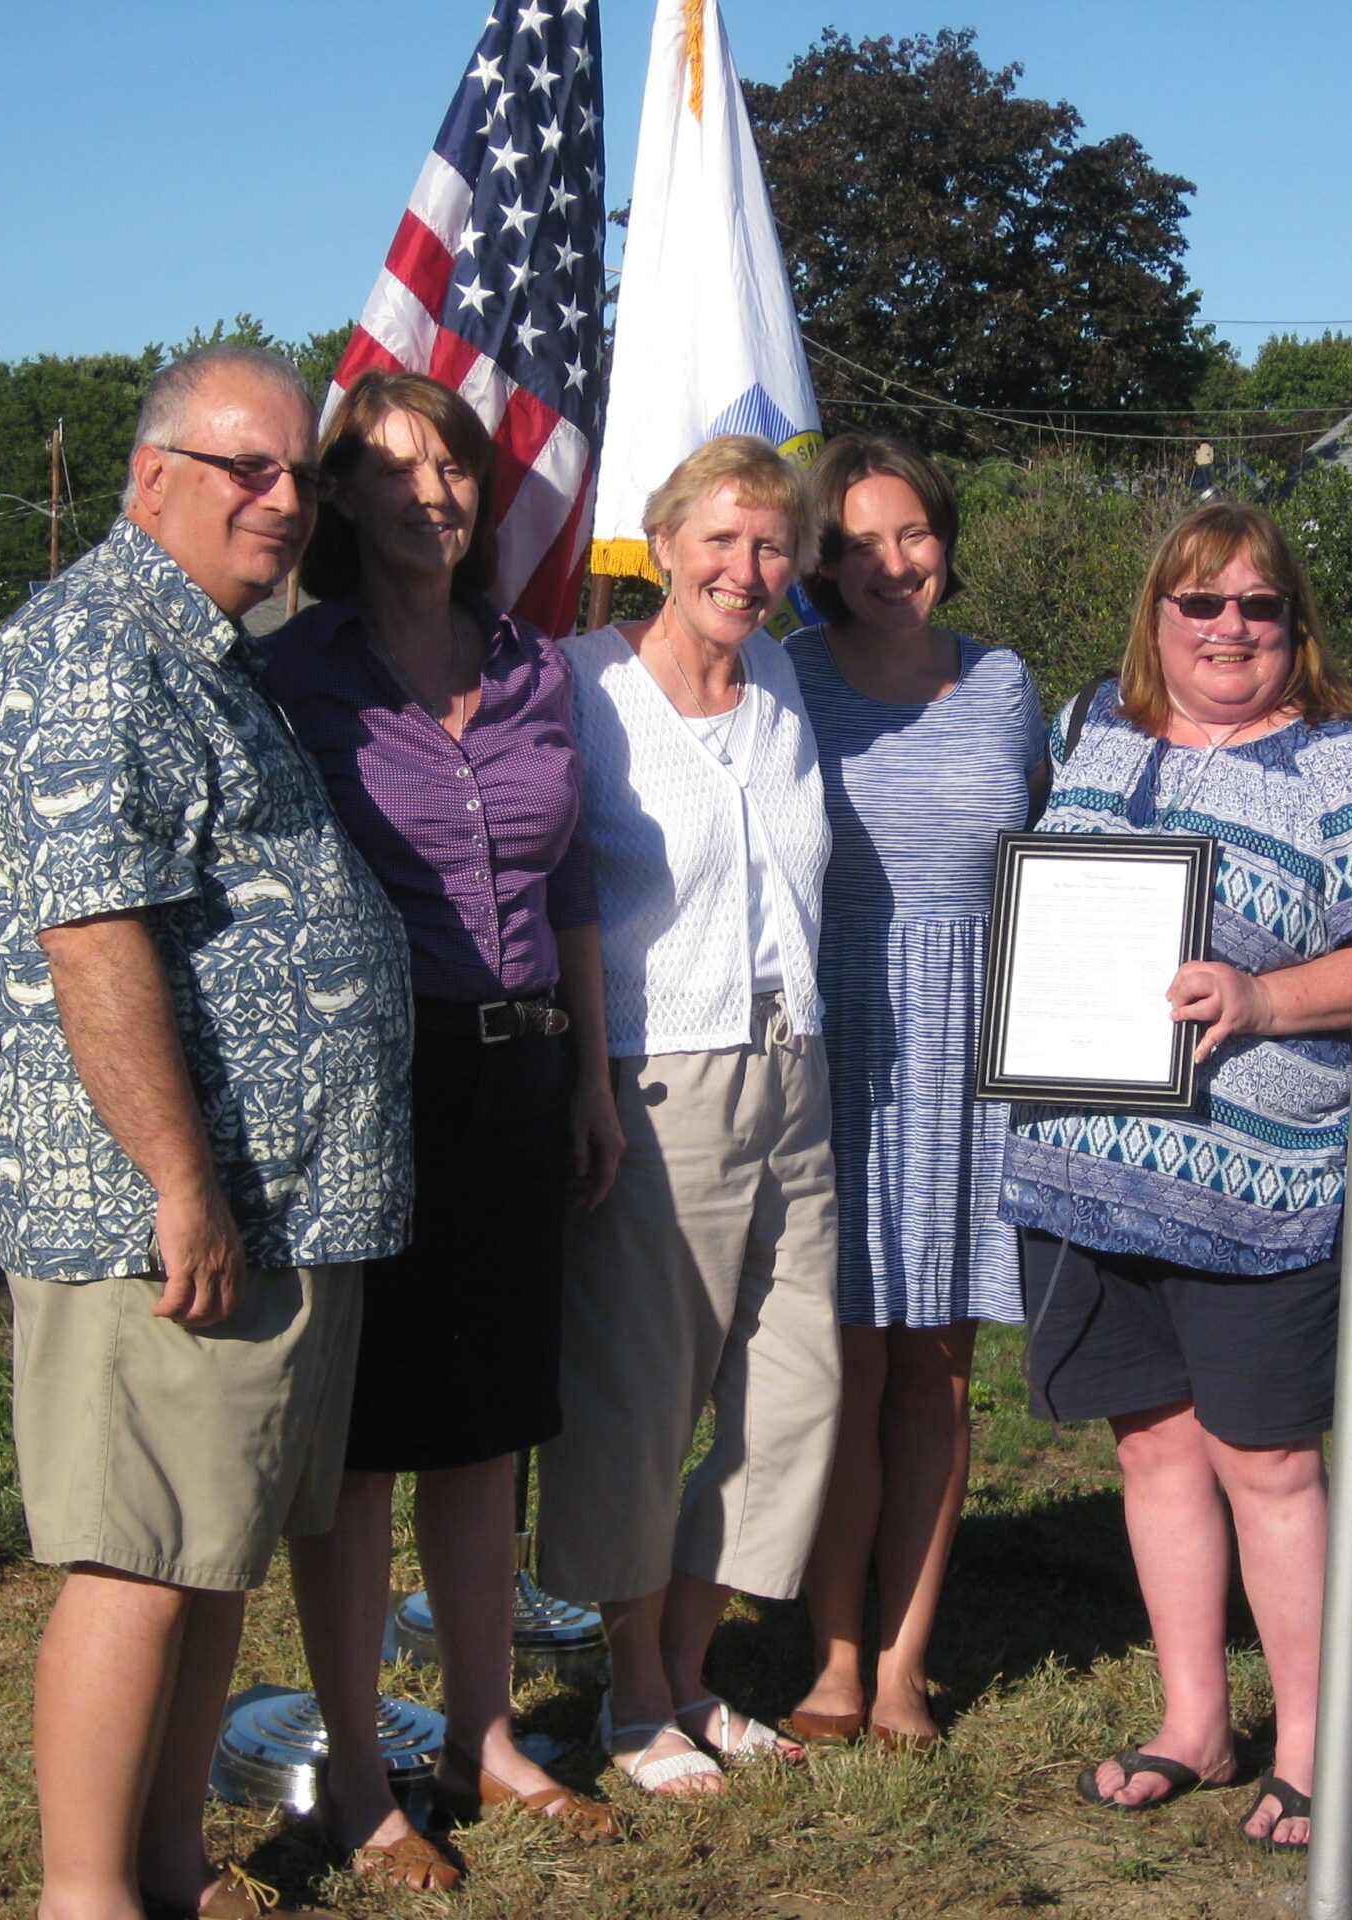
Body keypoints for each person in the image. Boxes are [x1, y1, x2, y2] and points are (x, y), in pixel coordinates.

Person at [0, 342, 412, 1920]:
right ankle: (86, 1899)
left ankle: (166, 1870)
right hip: (160, 1217)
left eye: (299, 471)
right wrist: (182, 1184)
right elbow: (96, 943)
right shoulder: (101, 652)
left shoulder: (209, 652)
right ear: (153, 472)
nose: (287, 501)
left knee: (208, 1554)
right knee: (138, 1568)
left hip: (272, 1202)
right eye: (250, 467)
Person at [1000, 503, 1352, 1852]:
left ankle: (1316, 1749)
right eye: (1201, 604)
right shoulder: (1096, 735)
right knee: (1152, 1449)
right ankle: (1194, 1720)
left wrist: (1261, 1002)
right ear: (1157, 617)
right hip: (1091, 1175)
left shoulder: (1346, 761)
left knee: (1266, 1464)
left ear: (1293, 622)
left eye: (1258, 605)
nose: (1230, 628)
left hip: (1261, 1187)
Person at [259, 371, 623, 1888]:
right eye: (396, 468)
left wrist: (591, 1081)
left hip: (522, 1080)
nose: (435, 493)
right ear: (339, 497)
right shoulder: (295, 677)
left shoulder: (539, 669)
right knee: (356, 1448)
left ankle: (486, 1735)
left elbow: (573, 886)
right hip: (369, 1089)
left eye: (455, 467)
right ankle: (359, 1778)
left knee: (485, 1436)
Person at [534, 434, 842, 1798]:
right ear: (659, 546)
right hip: (666, 1077)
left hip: (800, 1068)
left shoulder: (779, 677)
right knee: (642, 1404)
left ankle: (692, 1660)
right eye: (719, 541)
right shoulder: (589, 687)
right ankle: (636, 1692)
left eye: (772, 545)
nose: (746, 570)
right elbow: (567, 896)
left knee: (794, 1399)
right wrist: (587, 1078)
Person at [781, 435, 1046, 1752]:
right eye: (861, 543)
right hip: (831, 1044)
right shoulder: (784, 680)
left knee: (937, 1369)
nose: (895, 565)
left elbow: (1063, 862)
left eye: (915, 535)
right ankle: (830, 1656)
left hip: (967, 1053)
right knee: (840, 1364)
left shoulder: (1006, 684)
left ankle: (904, 1664)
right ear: (820, 561)